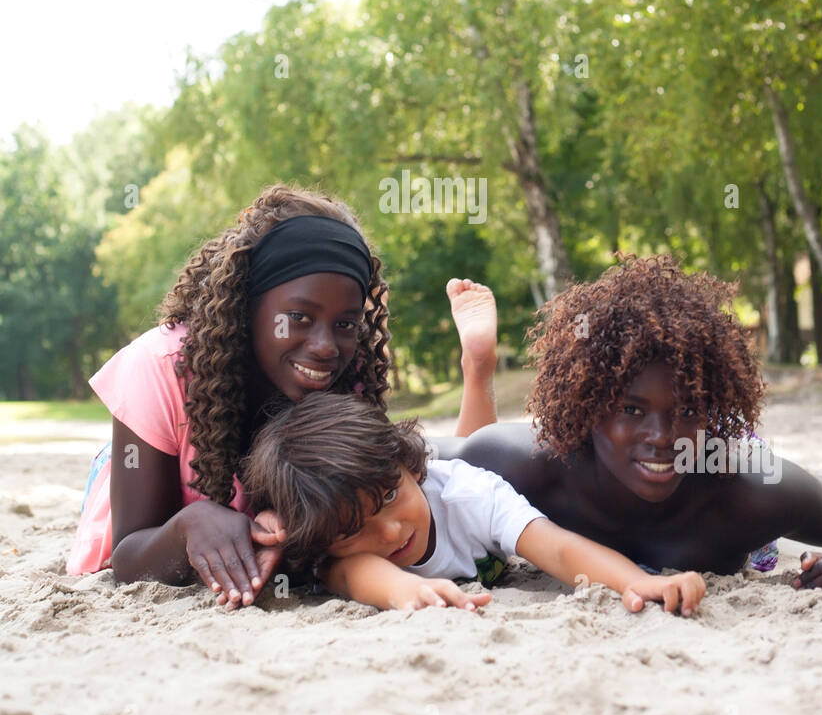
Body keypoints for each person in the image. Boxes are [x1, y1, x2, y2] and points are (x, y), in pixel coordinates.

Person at [67, 183, 499, 608]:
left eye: (345, 324)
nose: (325, 345)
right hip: (144, 466)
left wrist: (478, 372)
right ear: (246, 303)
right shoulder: (159, 366)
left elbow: (449, 483)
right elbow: (126, 561)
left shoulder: (346, 373)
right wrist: (189, 526)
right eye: (299, 317)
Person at [434, 255, 822, 591]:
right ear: (587, 408)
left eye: (686, 410)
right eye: (631, 410)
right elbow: (409, 462)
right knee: (470, 480)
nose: (662, 437)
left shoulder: (747, 489)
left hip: (723, 462)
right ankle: (478, 369)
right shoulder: (531, 464)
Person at [241, 391, 707, 616]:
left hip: (474, 453)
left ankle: (475, 369)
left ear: (411, 469)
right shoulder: (332, 535)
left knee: (477, 443)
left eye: (389, 496)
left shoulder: (468, 494)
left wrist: (637, 582)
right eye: (352, 529)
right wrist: (405, 593)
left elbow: (557, 548)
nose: (387, 532)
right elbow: (349, 572)